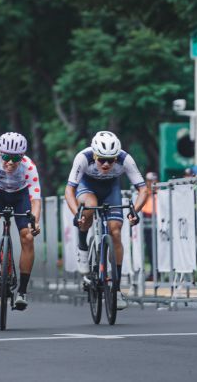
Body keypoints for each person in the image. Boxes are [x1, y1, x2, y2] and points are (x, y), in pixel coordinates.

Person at [63, 131, 150, 311]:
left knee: (115, 231)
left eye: (111, 160)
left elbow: (143, 189)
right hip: (87, 187)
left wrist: (135, 210)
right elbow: (69, 190)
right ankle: (82, 247)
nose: (106, 164)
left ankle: (116, 289)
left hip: (111, 189)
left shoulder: (125, 159)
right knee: (90, 206)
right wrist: (76, 214)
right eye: (101, 159)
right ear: (94, 154)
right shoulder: (83, 158)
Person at [0, 132, 42, 310]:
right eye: (6, 157)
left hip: (21, 196)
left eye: (15, 158)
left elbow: (35, 200)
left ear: (22, 156)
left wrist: (35, 222)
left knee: (27, 236)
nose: (10, 162)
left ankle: (22, 291)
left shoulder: (29, 167)